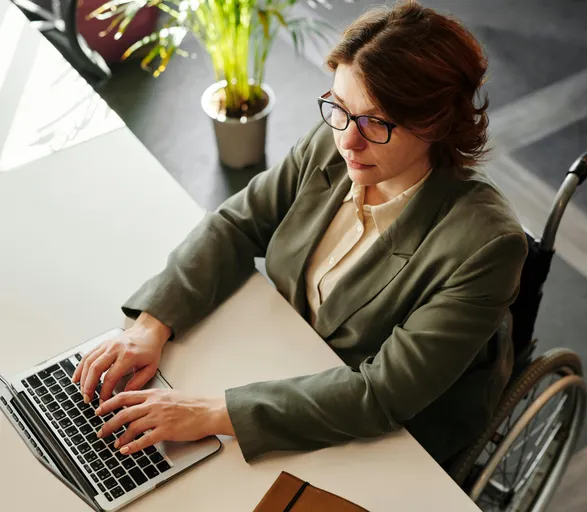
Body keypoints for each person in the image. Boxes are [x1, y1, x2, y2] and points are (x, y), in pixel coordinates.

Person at [73, 0, 527, 469]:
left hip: (400, 428)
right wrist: (151, 327)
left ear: (436, 124)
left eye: (377, 122)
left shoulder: (486, 246)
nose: (348, 139)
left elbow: (382, 395)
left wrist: (210, 412)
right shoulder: (337, 145)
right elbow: (239, 223)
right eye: (340, 107)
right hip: (292, 360)